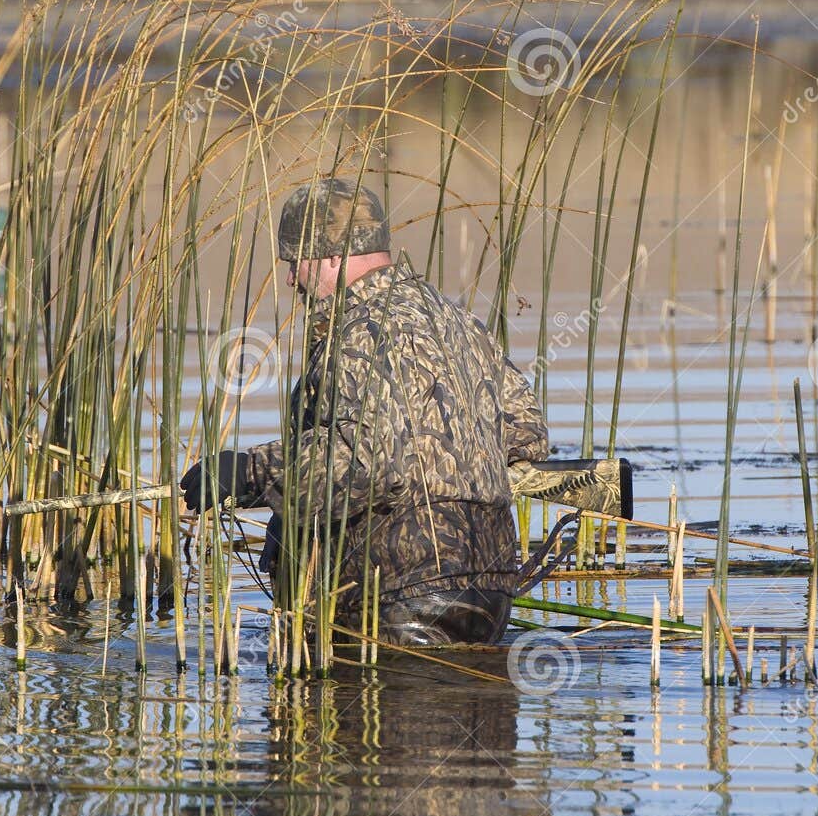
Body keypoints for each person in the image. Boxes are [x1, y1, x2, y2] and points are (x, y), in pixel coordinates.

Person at [181, 177, 550, 647]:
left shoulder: (357, 332)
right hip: (492, 590)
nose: (291, 279)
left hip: (397, 593)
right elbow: (527, 433)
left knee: (357, 694)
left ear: (333, 256)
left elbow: (363, 461)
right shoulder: (458, 321)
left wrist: (250, 472)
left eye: (295, 262)